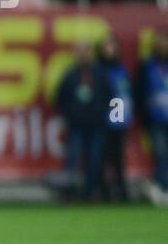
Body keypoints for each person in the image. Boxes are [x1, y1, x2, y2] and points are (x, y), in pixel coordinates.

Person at [55, 43, 112, 201]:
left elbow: (111, 96)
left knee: (94, 159)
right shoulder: (70, 74)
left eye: (86, 51)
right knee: (72, 159)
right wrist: (71, 114)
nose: (83, 55)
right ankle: (68, 192)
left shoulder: (100, 73)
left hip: (97, 123)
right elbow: (60, 97)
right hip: (76, 124)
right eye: (80, 52)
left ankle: (91, 191)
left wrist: (111, 119)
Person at [98, 35, 132, 201]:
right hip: (103, 122)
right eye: (106, 46)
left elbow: (127, 94)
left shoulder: (121, 69)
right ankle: (103, 191)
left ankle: (121, 190)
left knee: (119, 159)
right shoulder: (98, 70)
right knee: (102, 159)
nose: (109, 50)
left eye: (112, 46)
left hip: (119, 122)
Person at [136, 30, 168, 204]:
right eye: (160, 42)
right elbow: (140, 92)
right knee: (161, 154)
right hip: (156, 119)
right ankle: (162, 188)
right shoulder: (147, 66)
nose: (163, 45)